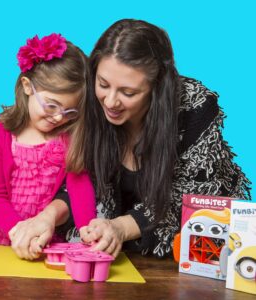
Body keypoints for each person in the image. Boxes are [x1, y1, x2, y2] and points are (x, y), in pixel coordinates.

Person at [68, 19, 251, 258]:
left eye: (128, 92)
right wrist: (48, 217)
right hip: (121, 251)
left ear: (157, 88)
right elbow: (78, 175)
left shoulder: (194, 108)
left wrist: (121, 227)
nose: (111, 101)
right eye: (103, 84)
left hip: (200, 249)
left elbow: (192, 199)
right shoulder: (94, 103)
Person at [0, 33, 96, 260]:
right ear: (28, 86)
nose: (59, 117)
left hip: (43, 243)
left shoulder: (69, 140)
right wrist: (21, 234)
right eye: (52, 106)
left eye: (70, 112)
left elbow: (80, 188)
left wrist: (91, 234)